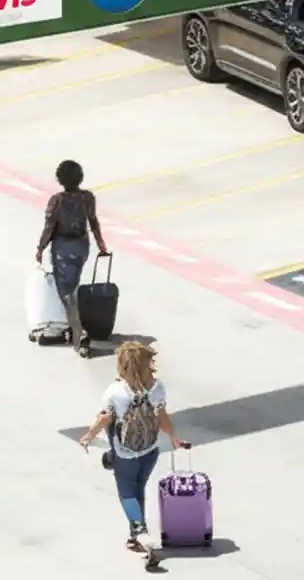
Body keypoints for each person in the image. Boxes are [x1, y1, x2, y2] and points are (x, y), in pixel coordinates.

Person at [78, 341, 187, 560]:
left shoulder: (115, 393)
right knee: (138, 490)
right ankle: (136, 535)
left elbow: (105, 418)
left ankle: (139, 530)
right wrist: (174, 438)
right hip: (150, 451)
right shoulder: (157, 388)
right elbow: (161, 418)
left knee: (128, 493)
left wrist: (89, 435)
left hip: (125, 453)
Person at [34, 160, 108, 348]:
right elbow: (93, 221)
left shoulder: (57, 201)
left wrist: (40, 248)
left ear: (60, 179)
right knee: (72, 285)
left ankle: (78, 332)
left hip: (63, 249)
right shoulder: (88, 198)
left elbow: (49, 227)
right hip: (82, 247)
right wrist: (101, 243)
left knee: (65, 291)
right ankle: (71, 324)